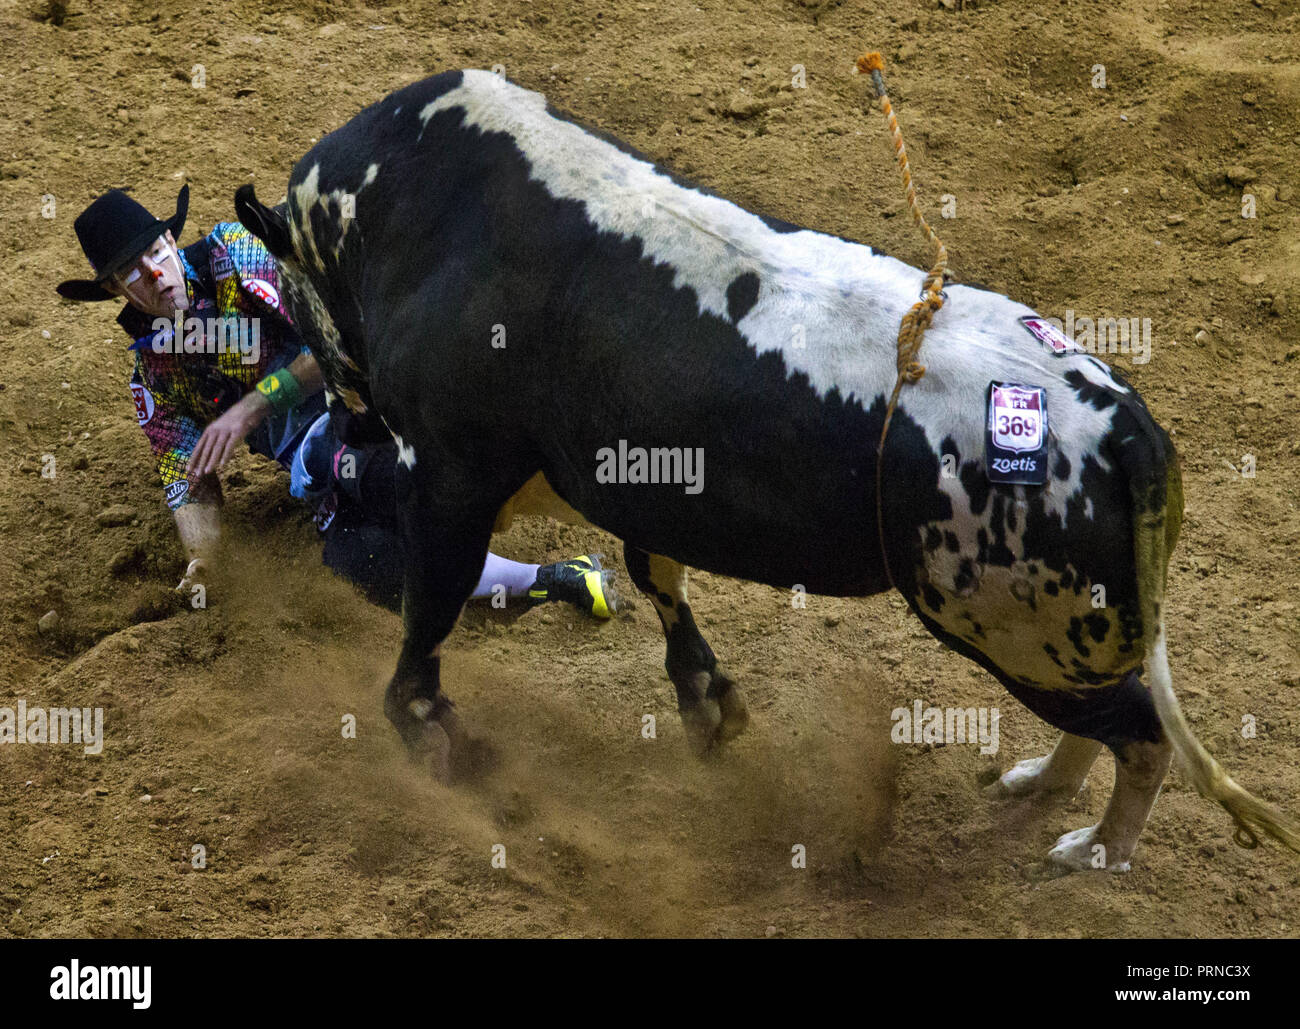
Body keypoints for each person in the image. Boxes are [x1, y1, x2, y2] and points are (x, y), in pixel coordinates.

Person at [56, 185, 616, 617]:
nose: (155, 274)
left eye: (157, 251)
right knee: (355, 559)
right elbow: (187, 478)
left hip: (364, 394)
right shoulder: (152, 375)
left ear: (172, 242)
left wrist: (252, 407)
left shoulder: (235, 255)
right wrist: (204, 559)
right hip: (322, 465)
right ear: (114, 290)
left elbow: (336, 343)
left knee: (341, 461)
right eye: (134, 271)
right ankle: (554, 579)